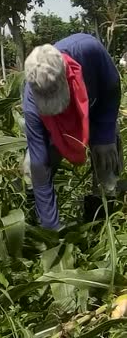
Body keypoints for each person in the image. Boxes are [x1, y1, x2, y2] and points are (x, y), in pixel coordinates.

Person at [23, 33, 122, 230]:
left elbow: (112, 88)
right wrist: (52, 230)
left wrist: (104, 135)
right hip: (56, 126)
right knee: (30, 169)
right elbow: (39, 165)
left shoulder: (89, 50)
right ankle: (39, 221)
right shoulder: (32, 106)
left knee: (107, 159)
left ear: (66, 74)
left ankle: (102, 223)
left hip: (95, 111)